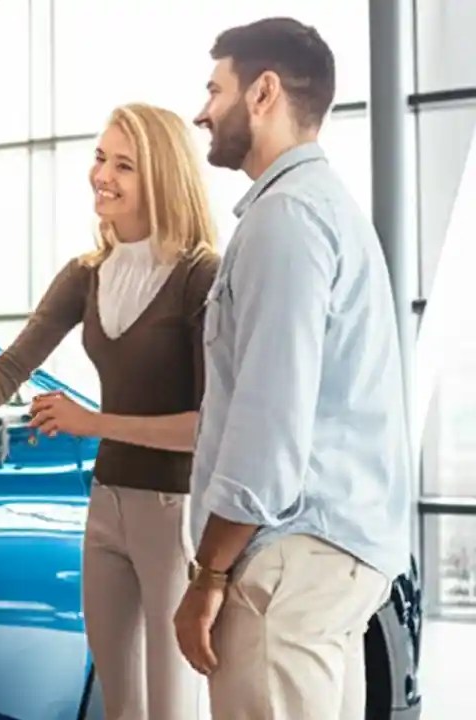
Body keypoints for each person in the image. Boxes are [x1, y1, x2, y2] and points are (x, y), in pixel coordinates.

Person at [0, 102, 220, 720]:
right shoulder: (87, 275)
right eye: (99, 157)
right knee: (120, 705)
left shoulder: (200, 276)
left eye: (124, 165)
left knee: (172, 708)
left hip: (176, 514)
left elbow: (207, 428)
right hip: (107, 505)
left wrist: (93, 424)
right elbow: (6, 371)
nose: (102, 176)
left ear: (163, 175)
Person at [173, 17, 412, 720]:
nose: (201, 111)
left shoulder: (286, 219)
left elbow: (266, 424)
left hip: (285, 562)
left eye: (214, 89)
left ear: (263, 91)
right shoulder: (329, 210)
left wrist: (209, 572)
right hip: (332, 559)